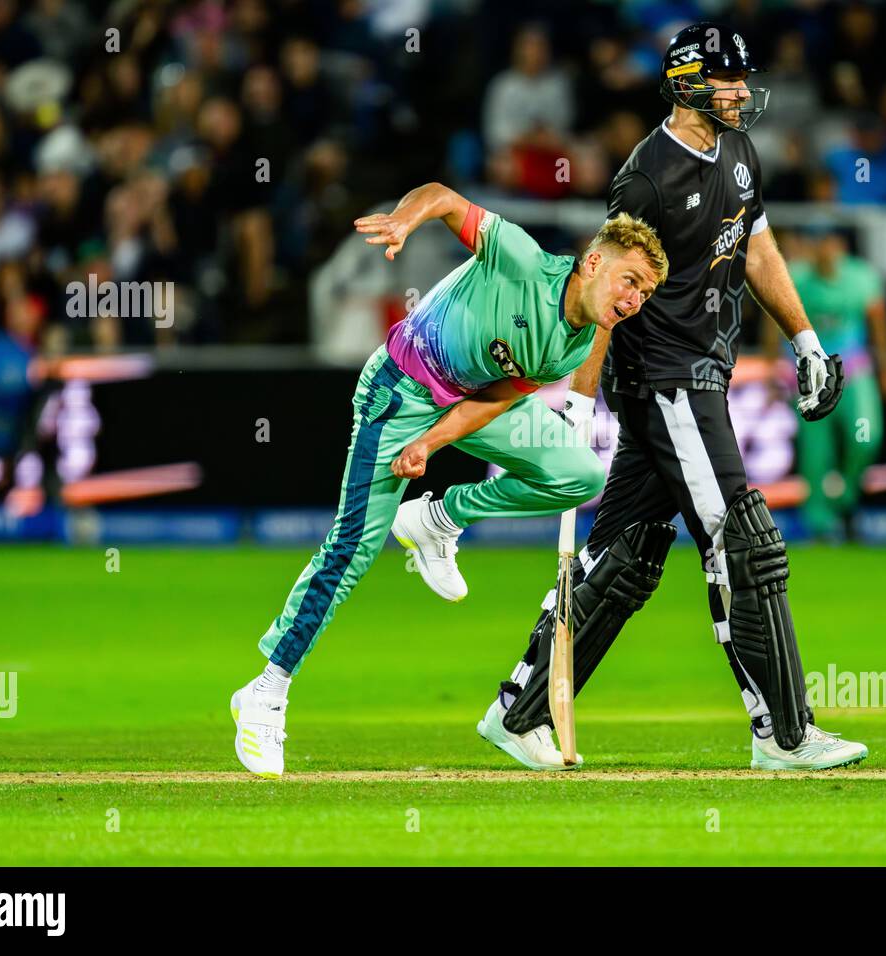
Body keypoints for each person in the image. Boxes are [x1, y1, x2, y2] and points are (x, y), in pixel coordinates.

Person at [468, 22, 868, 772]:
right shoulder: (647, 177)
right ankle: (783, 735)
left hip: (703, 371)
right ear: (688, 81)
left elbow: (756, 247)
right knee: (743, 538)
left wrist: (804, 338)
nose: (743, 92)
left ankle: (516, 711)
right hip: (666, 378)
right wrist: (582, 395)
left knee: (625, 557)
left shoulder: (740, 153)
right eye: (729, 79)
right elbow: (606, 287)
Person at [230, 181, 668, 778]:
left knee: (577, 472)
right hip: (399, 392)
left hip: (464, 406)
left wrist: (432, 446)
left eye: (646, 291)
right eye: (631, 280)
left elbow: (497, 397)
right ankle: (265, 691)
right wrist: (405, 221)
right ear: (593, 262)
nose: (636, 298)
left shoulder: (572, 347)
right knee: (351, 548)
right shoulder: (519, 257)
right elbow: (440, 195)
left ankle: (439, 518)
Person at [787, 223, 886, 539]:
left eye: (830, 242)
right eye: (818, 242)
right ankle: (820, 523)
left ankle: (845, 497)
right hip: (812, 378)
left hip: (855, 373)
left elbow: (880, 325)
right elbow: (773, 322)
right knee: (815, 456)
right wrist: (773, 367)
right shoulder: (797, 277)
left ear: (841, 248)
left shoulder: (862, 277)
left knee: (866, 439)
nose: (824, 250)